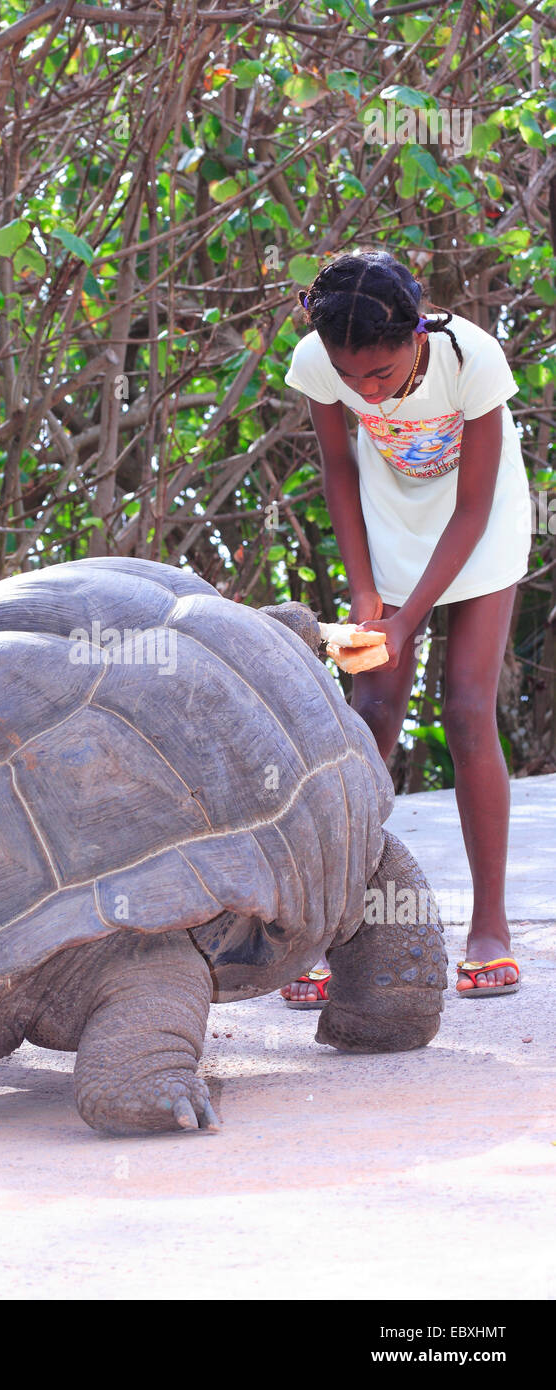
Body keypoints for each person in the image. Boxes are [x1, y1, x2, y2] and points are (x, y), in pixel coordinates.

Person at [278, 250, 529, 1007]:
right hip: (389, 526)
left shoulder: (471, 360)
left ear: (415, 335)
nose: (366, 390)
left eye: (380, 375)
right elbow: (339, 468)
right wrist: (365, 594)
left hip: (475, 529)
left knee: (464, 710)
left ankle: (489, 927)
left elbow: (477, 504)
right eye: (350, 377)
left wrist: (409, 618)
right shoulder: (320, 360)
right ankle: (329, 926)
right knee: (373, 714)